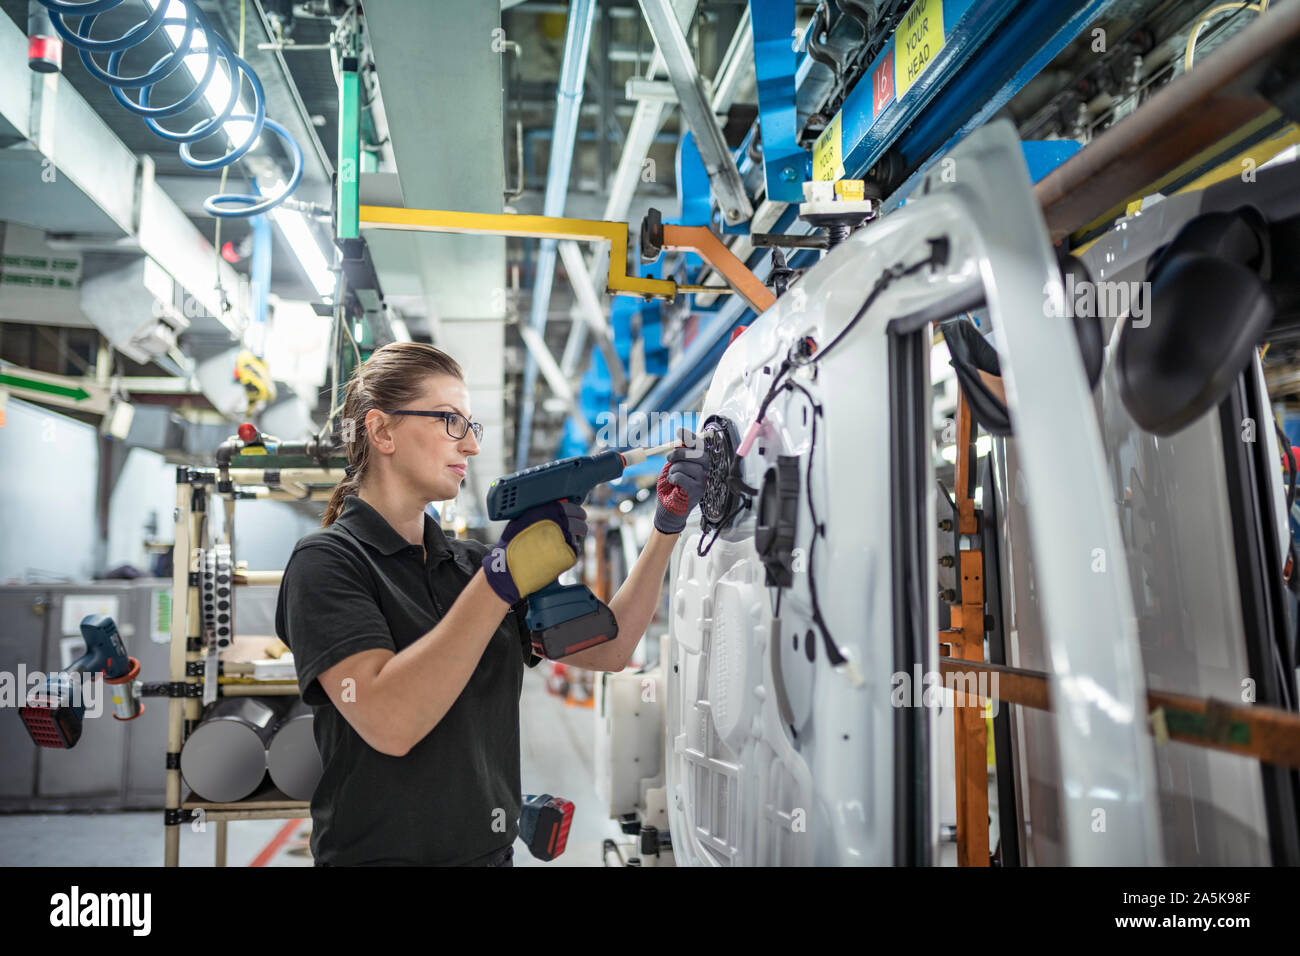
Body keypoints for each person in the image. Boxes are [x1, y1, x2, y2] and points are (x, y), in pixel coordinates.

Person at [274, 342, 707, 866]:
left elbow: (609, 649)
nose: (471, 447)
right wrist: (500, 580)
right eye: (450, 422)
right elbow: (390, 722)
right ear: (382, 431)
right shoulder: (327, 563)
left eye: (471, 427)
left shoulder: (469, 564)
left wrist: (667, 526)